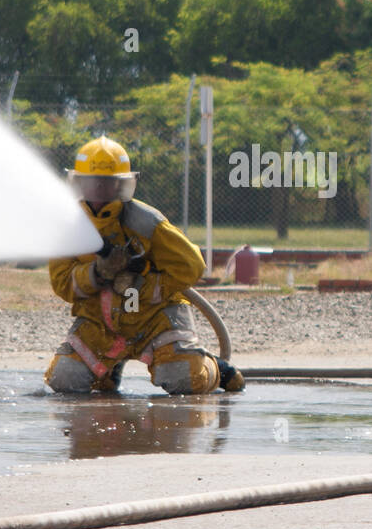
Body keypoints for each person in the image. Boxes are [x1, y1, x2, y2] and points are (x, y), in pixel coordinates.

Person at [43, 136, 243, 394]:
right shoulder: (68, 228)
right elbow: (62, 284)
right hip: (101, 324)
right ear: (79, 182)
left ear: (122, 184)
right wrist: (96, 273)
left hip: (155, 320)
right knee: (65, 380)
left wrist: (143, 284)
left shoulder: (146, 223)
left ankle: (217, 368)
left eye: (108, 182)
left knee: (184, 379)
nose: (100, 191)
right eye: (93, 182)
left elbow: (192, 266)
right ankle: (110, 368)